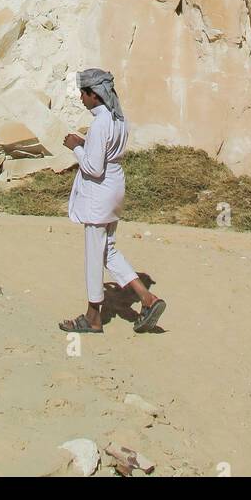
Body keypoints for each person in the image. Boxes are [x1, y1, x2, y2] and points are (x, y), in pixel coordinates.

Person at [58, 68, 166, 335]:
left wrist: (75, 146)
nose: (81, 99)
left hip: (99, 194)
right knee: (108, 251)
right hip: (114, 188)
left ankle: (93, 317)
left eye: (83, 94)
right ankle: (147, 298)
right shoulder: (119, 119)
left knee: (94, 256)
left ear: (94, 95)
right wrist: (86, 144)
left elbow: (94, 168)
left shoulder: (101, 122)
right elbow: (107, 154)